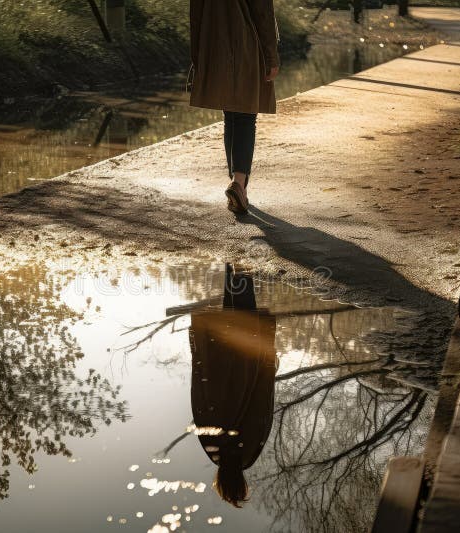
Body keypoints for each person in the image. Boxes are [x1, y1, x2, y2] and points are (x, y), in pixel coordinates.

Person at [189, 265, 277, 507]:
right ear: (219, 479)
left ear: (241, 481)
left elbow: (263, 404)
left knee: (244, 306)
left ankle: (240, 260)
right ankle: (235, 260)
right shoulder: (213, 449)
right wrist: (201, 357)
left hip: (248, 364)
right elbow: (200, 399)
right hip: (222, 361)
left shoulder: (248, 453)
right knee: (233, 308)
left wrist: (268, 363)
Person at [189, 0, 281, 213]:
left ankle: (236, 186)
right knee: (245, 115)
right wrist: (271, 56)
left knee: (230, 114)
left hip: (214, 44)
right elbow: (263, 11)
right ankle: (238, 183)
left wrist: (198, 56)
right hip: (246, 43)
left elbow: (196, 13)